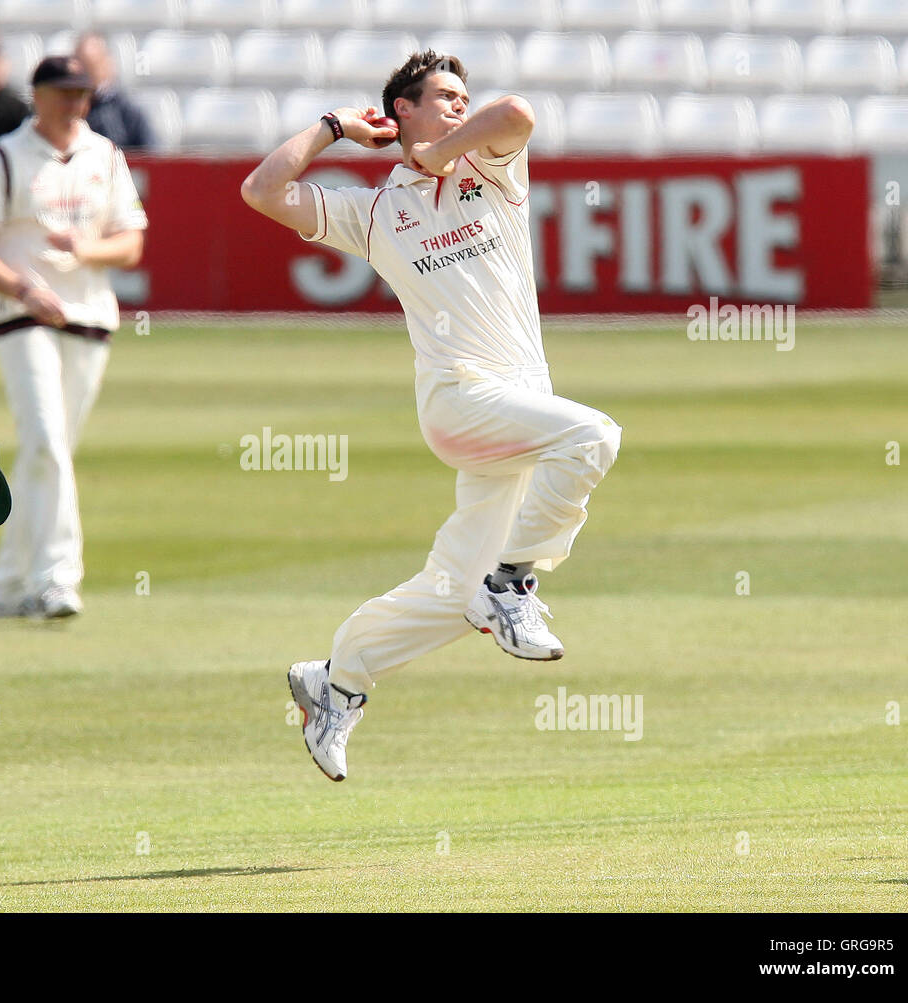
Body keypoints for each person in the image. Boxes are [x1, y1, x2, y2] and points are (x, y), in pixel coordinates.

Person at [241, 51, 622, 782]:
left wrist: (442, 151)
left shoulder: (493, 170)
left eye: (461, 96)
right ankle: (513, 584)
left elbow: (518, 111)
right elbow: (262, 190)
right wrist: (332, 129)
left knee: (454, 591)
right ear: (400, 109)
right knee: (594, 435)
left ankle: (336, 680)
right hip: (458, 398)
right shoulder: (375, 213)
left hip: (516, 404)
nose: (459, 105)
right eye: (443, 96)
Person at [0, 56, 147, 619]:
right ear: (36, 95)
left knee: (48, 452)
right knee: (45, 440)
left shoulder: (104, 155)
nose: (74, 103)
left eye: (82, 92)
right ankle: (57, 579)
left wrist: (84, 250)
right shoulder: (6, 157)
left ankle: (9, 584)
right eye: (63, 92)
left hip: (90, 316)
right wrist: (25, 289)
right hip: (24, 317)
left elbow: (130, 244)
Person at [74, 32, 153, 151]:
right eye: (83, 66)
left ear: (107, 63)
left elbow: (151, 159)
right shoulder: (66, 110)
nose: (87, 73)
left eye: (93, 65)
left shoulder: (129, 112)